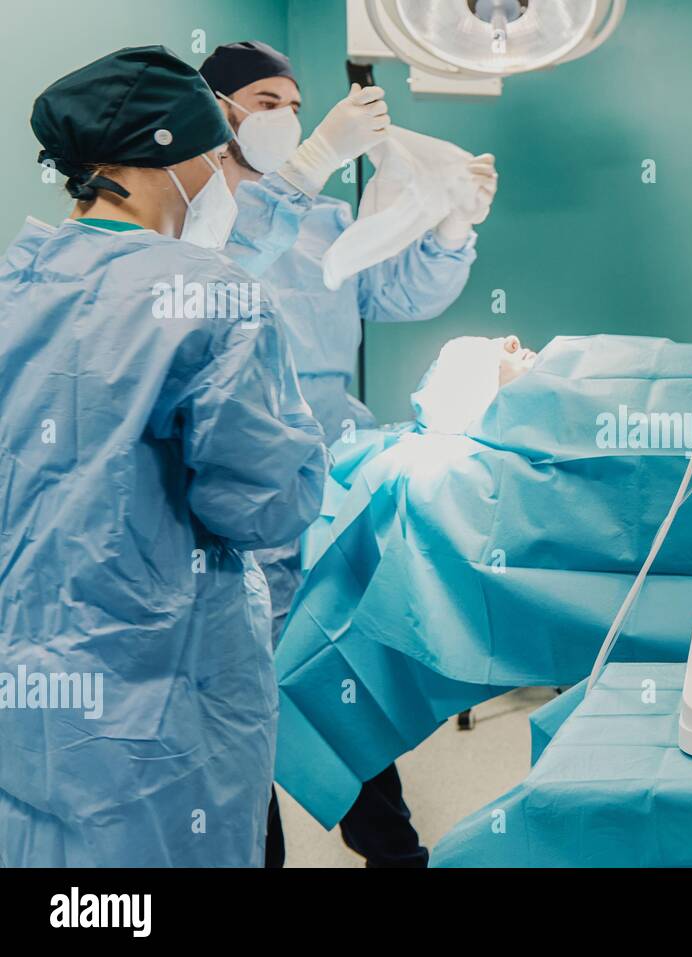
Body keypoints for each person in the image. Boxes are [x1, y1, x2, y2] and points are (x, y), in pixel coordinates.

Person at [0, 46, 327, 866]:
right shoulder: (211, 299)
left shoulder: (12, 282)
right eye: (218, 152)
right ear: (169, 153)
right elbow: (263, 504)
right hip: (153, 695)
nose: (224, 172)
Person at [199, 40, 497, 867]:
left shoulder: (326, 218)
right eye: (266, 101)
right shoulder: (199, 216)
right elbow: (219, 284)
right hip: (237, 492)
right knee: (241, 708)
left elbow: (393, 291)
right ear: (214, 110)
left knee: (337, 681)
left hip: (325, 482)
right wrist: (312, 161)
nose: (288, 117)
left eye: (296, 103)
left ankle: (395, 855)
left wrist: (448, 226)